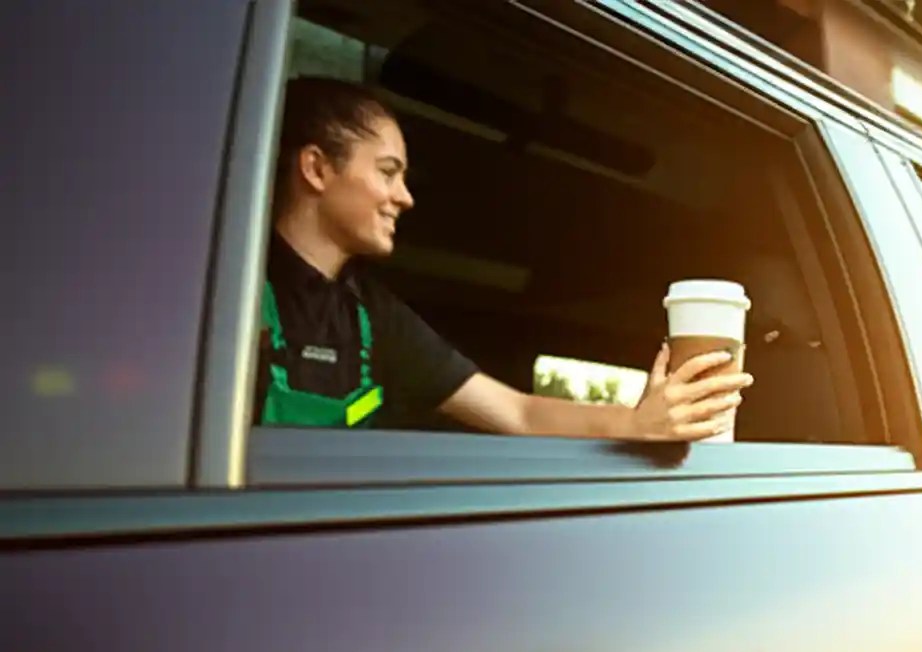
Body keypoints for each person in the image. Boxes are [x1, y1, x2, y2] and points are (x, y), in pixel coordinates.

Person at [255, 76, 752, 440]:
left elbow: (518, 414)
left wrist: (638, 423)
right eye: (388, 172)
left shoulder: (370, 317)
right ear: (317, 168)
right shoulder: (221, 290)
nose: (404, 197)